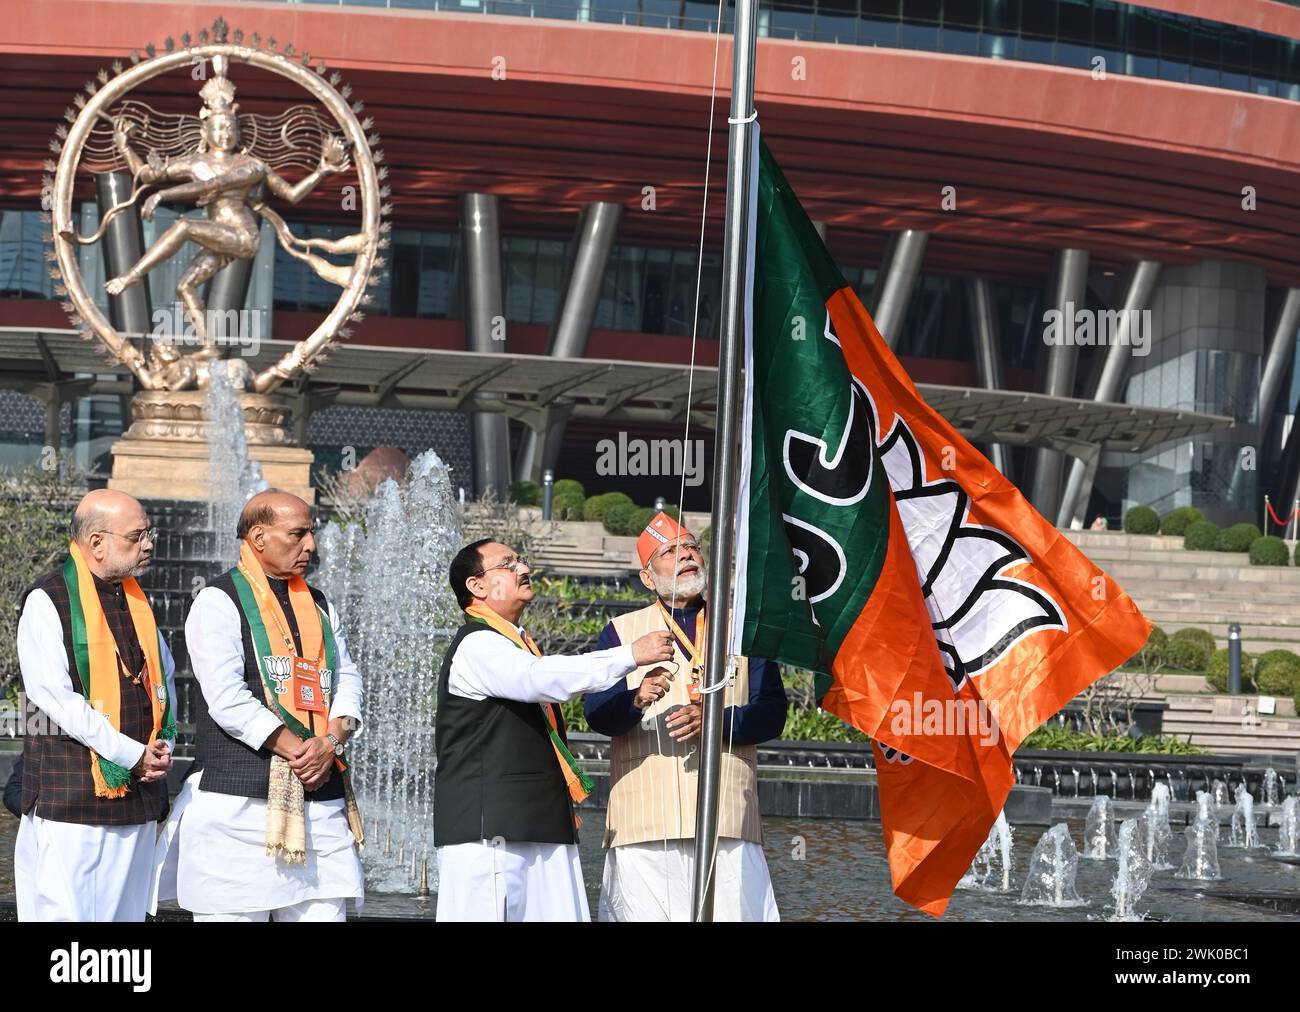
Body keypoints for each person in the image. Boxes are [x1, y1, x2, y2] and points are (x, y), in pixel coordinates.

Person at [434, 538, 674, 921]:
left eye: (521, 560)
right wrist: (629, 655)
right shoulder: (477, 645)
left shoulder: (518, 642)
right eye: (508, 564)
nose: (523, 569)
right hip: (489, 829)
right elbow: (536, 679)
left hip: (540, 820)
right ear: (477, 587)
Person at [153, 490, 364, 922]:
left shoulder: (320, 604)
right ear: (259, 536)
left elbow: (347, 677)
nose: (311, 545)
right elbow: (227, 699)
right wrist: (302, 750)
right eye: (298, 534)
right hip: (238, 807)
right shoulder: (218, 601)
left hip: (319, 806)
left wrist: (331, 741)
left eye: (312, 533)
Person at [585, 511, 786, 921]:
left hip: (727, 815)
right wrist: (636, 699)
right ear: (647, 577)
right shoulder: (621, 631)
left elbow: (772, 713)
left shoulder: (742, 628)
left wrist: (715, 722)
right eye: (670, 551)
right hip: (645, 820)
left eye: (692, 546)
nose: (687, 555)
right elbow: (596, 715)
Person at [13, 489, 176, 921]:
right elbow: (54, 699)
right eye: (137, 536)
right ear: (97, 543)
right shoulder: (48, 599)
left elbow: (165, 678)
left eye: (149, 533)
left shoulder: (139, 601)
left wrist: (162, 747)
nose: (149, 544)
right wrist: (131, 754)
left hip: (138, 799)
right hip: (71, 803)